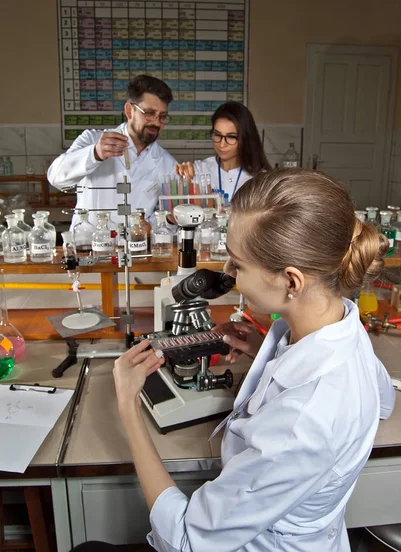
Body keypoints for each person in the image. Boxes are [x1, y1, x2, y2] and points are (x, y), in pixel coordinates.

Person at [79, 169, 395, 552]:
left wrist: (127, 405)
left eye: (237, 264)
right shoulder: (345, 324)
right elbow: (383, 400)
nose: (228, 276)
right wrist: (266, 348)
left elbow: (186, 540)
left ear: (292, 282)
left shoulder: (303, 421)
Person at [48, 75, 177, 228]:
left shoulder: (168, 164)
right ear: (129, 111)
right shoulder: (92, 139)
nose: (156, 122)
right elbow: (55, 177)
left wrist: (168, 220)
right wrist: (94, 154)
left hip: (136, 247)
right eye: (149, 113)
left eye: (162, 116)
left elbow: (157, 223)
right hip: (88, 245)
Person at [176, 101, 271, 201]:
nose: (222, 144)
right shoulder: (199, 170)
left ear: (245, 138)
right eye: (217, 135)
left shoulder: (260, 179)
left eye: (231, 137)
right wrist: (183, 178)